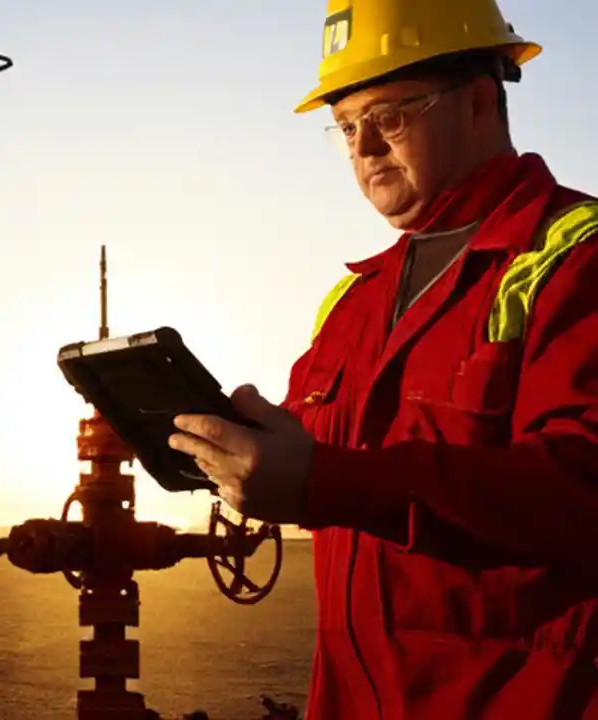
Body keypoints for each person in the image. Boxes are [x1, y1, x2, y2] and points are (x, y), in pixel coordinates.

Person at [167, 2, 598, 718]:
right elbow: (306, 459)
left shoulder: (575, 257)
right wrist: (197, 437)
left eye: (390, 116)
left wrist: (327, 481)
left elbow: (581, 487)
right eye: (344, 126)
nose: (363, 147)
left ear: (481, 103)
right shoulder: (352, 303)